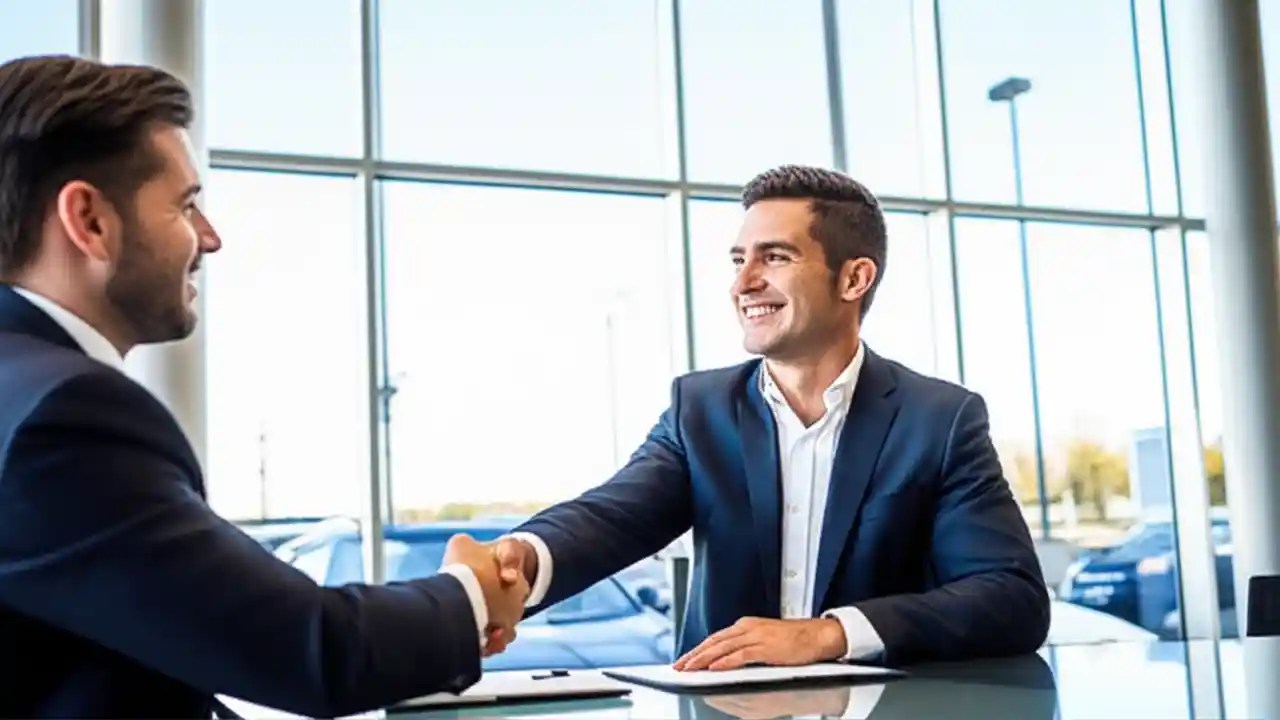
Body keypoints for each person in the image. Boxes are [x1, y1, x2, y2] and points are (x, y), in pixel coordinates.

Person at [0, 55, 527, 718]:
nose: (211, 239)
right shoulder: (63, 417)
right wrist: (473, 595)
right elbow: (313, 650)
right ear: (91, 221)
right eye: (187, 204)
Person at [486, 165, 1050, 669]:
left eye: (774, 257)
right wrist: (524, 560)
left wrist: (830, 635)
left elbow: (1011, 596)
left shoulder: (940, 420)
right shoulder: (700, 410)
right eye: (739, 260)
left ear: (854, 278)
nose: (742, 283)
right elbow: (612, 517)